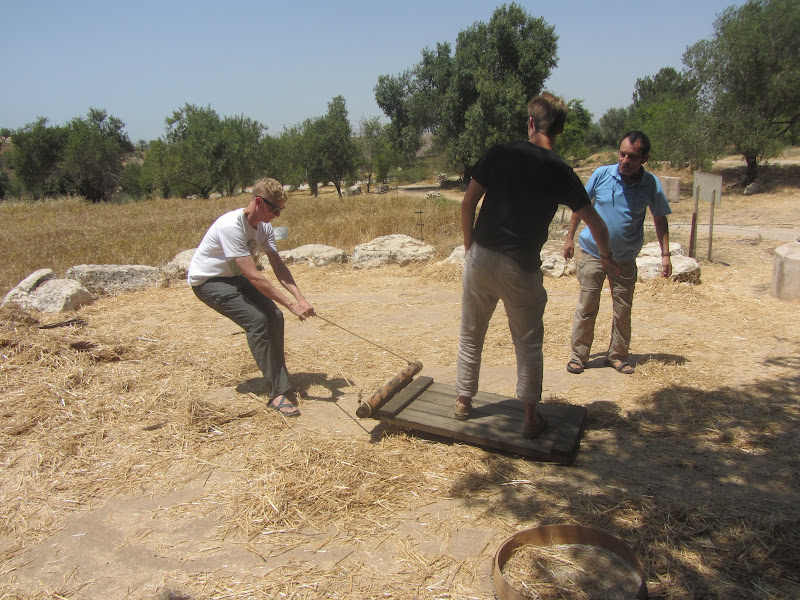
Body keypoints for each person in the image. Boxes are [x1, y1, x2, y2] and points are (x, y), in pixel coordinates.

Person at [455, 93, 618, 439]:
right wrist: (606, 256)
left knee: (471, 332)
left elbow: (467, 205)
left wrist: (471, 250)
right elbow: (597, 224)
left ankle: (463, 400)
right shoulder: (561, 171)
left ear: (531, 122)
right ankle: (530, 417)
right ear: (558, 130)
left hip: (481, 257)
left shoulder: (500, 153)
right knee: (528, 342)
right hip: (521, 266)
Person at [187, 178, 315, 417]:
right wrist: (290, 305)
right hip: (209, 281)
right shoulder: (231, 226)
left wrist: (301, 298)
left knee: (274, 316)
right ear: (258, 201)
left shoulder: (264, 227)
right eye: (274, 208)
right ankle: (277, 393)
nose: (277, 215)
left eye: (281, 209)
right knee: (257, 321)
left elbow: (277, 265)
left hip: (234, 278)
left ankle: (280, 380)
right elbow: (254, 277)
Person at [564, 131, 672, 376]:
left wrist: (665, 255)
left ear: (644, 158)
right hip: (592, 252)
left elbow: (660, 218)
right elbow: (580, 207)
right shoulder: (602, 175)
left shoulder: (651, 184)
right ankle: (579, 356)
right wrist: (570, 238)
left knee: (623, 309)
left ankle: (618, 355)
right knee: (587, 305)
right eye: (622, 154)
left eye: (632, 156)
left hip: (624, 259)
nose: (625, 160)